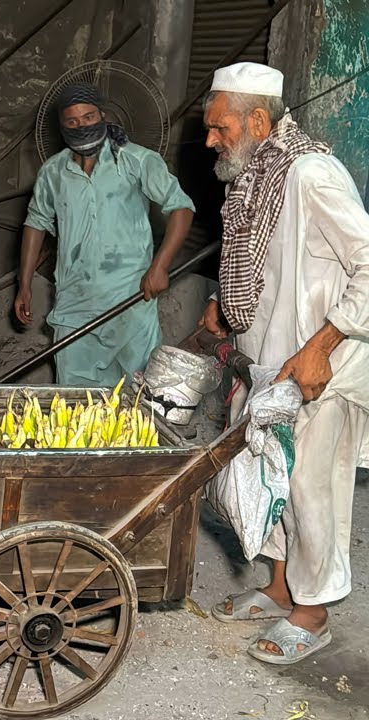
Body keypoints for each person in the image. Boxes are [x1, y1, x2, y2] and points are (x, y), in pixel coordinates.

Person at [201, 62, 369, 665]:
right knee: (266, 478)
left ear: (258, 120)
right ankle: (278, 588)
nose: (210, 140)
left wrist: (323, 344)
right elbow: (259, 261)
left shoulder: (312, 174)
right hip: (264, 361)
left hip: (314, 366)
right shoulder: (253, 177)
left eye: (219, 128)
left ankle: (314, 611)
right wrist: (224, 303)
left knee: (308, 489)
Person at [15, 82, 195, 387]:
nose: (81, 125)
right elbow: (36, 223)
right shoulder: (53, 172)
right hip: (75, 307)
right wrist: (24, 284)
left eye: (88, 117)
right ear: (61, 127)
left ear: (103, 115)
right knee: (76, 407)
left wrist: (160, 266)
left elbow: (181, 207)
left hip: (132, 301)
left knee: (139, 400)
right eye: (72, 121)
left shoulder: (136, 160)